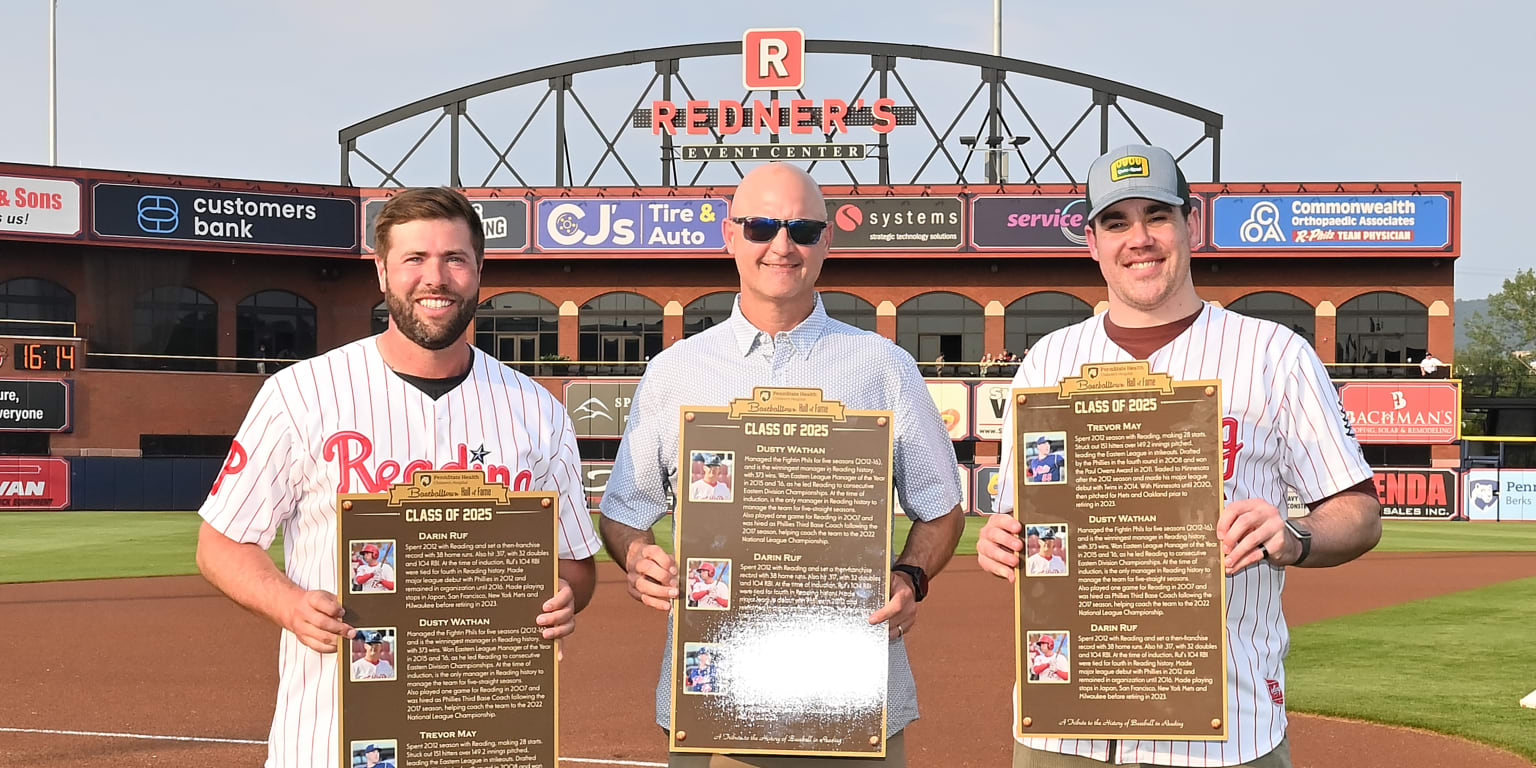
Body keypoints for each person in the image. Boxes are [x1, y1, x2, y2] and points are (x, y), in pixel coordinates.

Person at [977, 145, 1382, 767]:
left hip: (1226, 728)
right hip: (1063, 724)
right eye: (1117, 222)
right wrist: (999, 539)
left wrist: (1292, 536)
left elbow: (1359, 513)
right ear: (1092, 242)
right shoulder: (1046, 361)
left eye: (1157, 216)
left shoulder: (1272, 353)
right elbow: (1020, 519)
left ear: (1190, 224)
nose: (1139, 239)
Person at [195, 187, 602, 768]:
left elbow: (575, 567)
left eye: (454, 259)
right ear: (383, 271)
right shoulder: (300, 394)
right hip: (330, 738)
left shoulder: (537, 410)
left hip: (483, 735)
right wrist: (290, 606)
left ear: (479, 272)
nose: (435, 278)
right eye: (415, 258)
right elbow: (220, 543)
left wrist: (563, 597)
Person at [600, 162, 965, 767]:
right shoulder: (676, 371)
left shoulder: (883, 366)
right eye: (761, 226)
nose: (782, 245)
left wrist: (909, 577)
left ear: (827, 241)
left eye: (802, 229)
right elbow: (623, 510)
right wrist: (638, 557)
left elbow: (941, 509)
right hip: (715, 699)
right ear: (729, 235)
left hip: (852, 699)